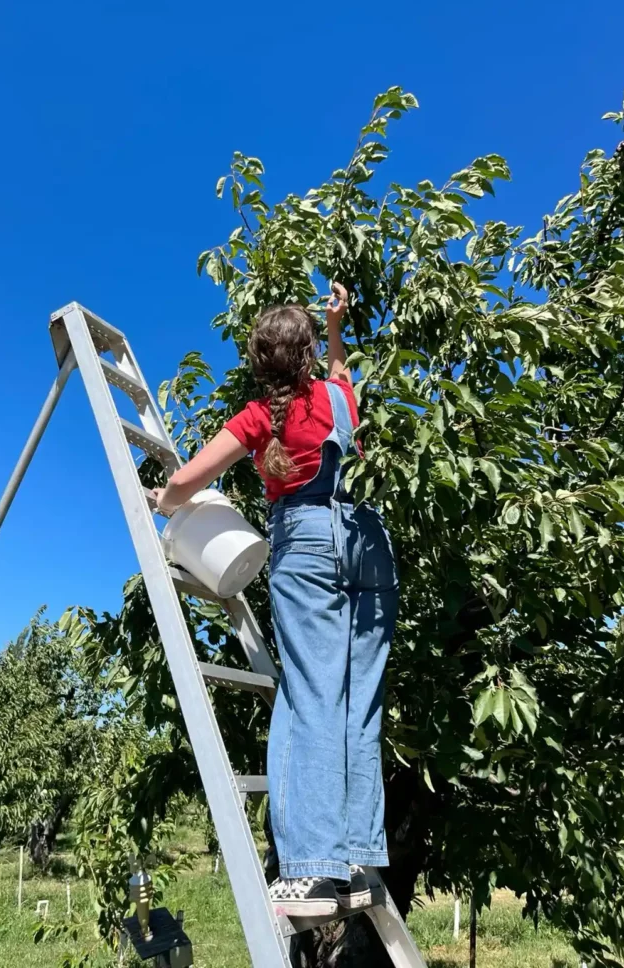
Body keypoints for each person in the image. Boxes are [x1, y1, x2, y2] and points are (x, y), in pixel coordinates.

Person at [153, 283, 399, 918]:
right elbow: (342, 374)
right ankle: (354, 864)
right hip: (369, 544)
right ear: (308, 354)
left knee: (313, 696)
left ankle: (313, 871)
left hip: (309, 542)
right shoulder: (337, 399)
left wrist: (163, 500)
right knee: (357, 705)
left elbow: (189, 478)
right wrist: (337, 326)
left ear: (261, 361)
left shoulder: (262, 416)